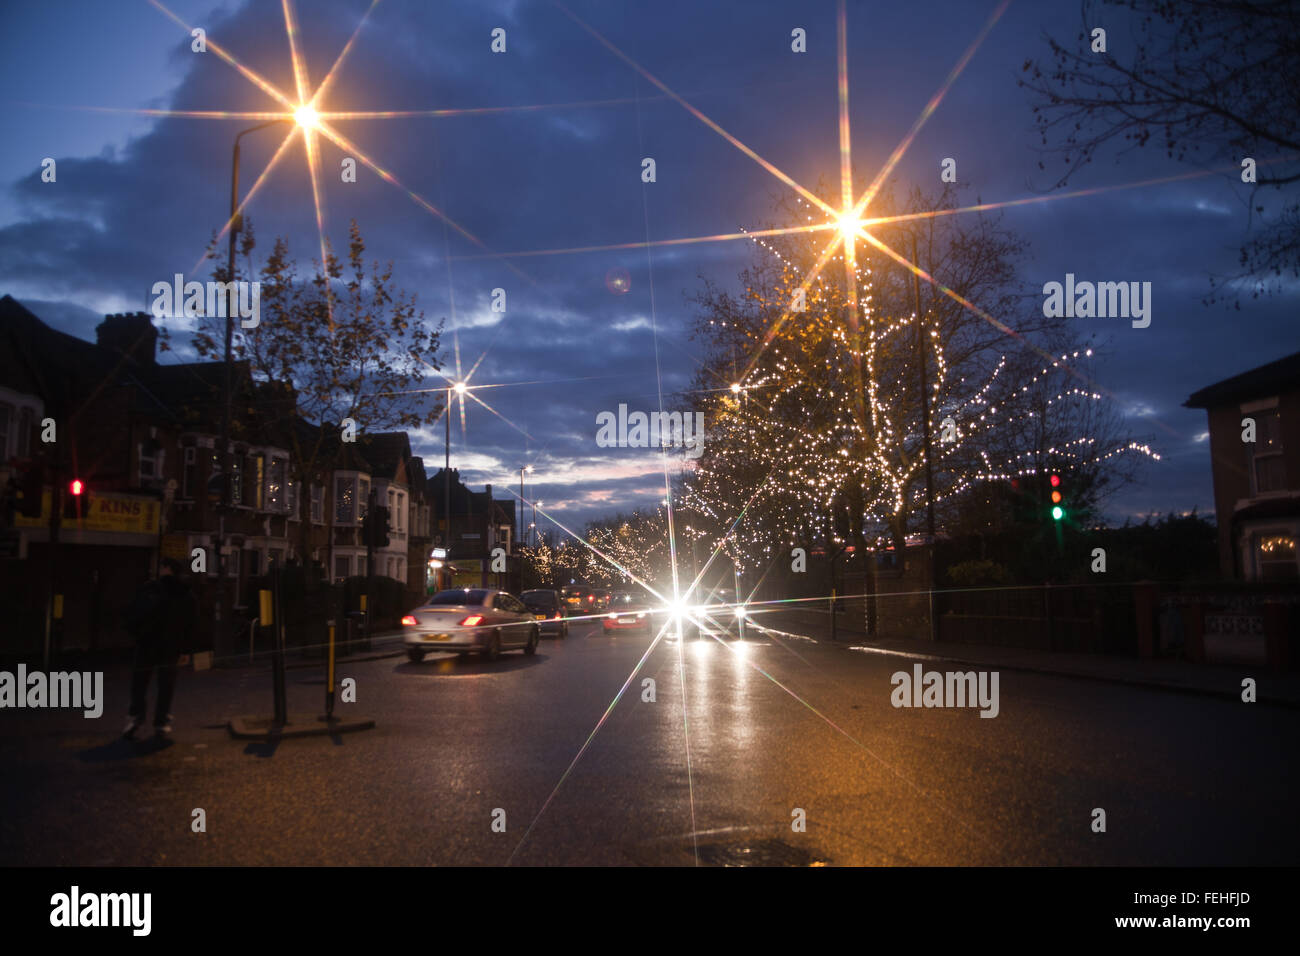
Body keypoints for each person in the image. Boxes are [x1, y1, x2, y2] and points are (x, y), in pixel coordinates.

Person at [122, 558, 198, 739]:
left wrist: (137, 635)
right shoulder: (185, 593)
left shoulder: (149, 589)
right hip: (171, 647)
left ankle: (136, 716)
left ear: (166, 569)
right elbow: (191, 624)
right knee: (166, 686)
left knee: (139, 683)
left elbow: (132, 613)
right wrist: (186, 650)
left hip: (146, 644)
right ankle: (161, 721)